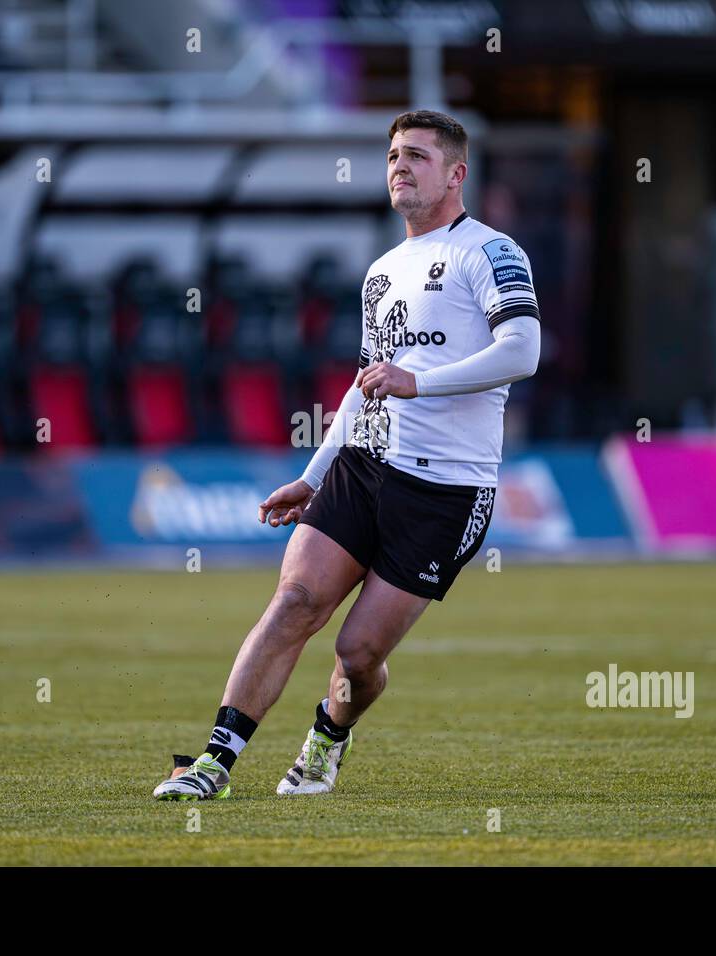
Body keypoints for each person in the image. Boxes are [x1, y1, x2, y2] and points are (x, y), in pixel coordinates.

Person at [153, 110, 541, 800]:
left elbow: (523, 351)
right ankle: (212, 762)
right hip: (362, 467)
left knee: (357, 655)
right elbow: (366, 389)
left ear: (456, 174)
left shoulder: (491, 252)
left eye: (418, 156)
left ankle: (329, 734)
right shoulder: (383, 270)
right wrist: (313, 475)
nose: (400, 165)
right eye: (394, 154)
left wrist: (417, 381)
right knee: (295, 600)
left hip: (445, 492)